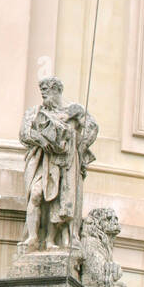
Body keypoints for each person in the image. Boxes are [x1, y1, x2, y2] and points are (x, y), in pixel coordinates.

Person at [18, 76, 98, 253]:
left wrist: (78, 147)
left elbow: (92, 128)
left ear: (57, 92)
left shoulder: (74, 110)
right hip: (43, 161)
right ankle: (32, 237)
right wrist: (39, 138)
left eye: (46, 94)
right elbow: (24, 133)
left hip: (65, 163)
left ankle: (50, 239)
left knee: (59, 201)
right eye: (42, 94)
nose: (44, 97)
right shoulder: (35, 111)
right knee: (36, 194)